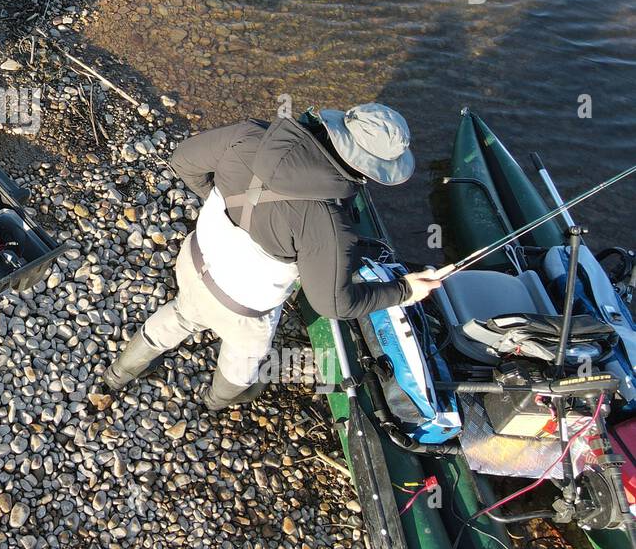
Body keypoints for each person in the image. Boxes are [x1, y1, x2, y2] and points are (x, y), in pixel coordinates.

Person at [98, 103, 449, 409]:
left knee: (180, 315)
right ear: (366, 170)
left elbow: (182, 160)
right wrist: (405, 290)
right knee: (242, 360)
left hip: (194, 261)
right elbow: (334, 305)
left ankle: (117, 375)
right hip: (242, 311)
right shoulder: (330, 225)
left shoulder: (250, 134)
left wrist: (219, 200)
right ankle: (218, 401)